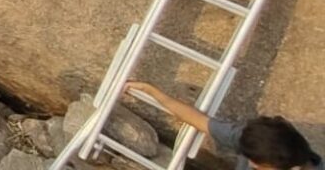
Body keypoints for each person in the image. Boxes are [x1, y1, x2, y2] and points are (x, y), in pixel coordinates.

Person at [125, 81, 321, 170]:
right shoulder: (250, 140)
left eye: (259, 165)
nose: (251, 164)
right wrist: (151, 91)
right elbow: (197, 119)